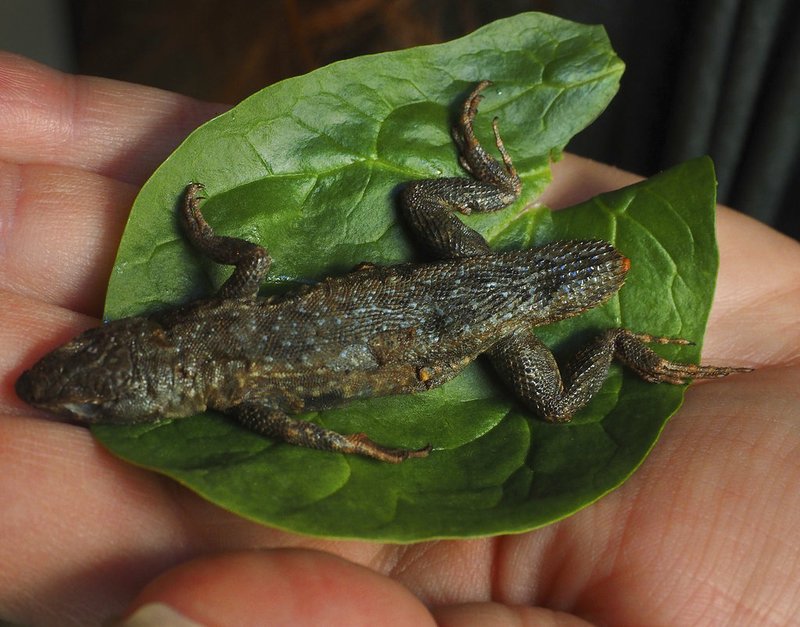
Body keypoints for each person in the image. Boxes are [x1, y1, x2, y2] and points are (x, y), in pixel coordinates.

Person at [1, 51, 798, 626]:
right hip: (471, 289)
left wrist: (361, 449)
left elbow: (315, 424)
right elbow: (256, 261)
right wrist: (206, 237)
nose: (71, 386)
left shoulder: (247, 399)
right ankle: (501, 194)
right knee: (424, 201)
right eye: (85, 388)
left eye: (83, 388)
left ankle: (618, 345)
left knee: (551, 401)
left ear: (156, 360)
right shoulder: (230, 334)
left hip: (493, 311)